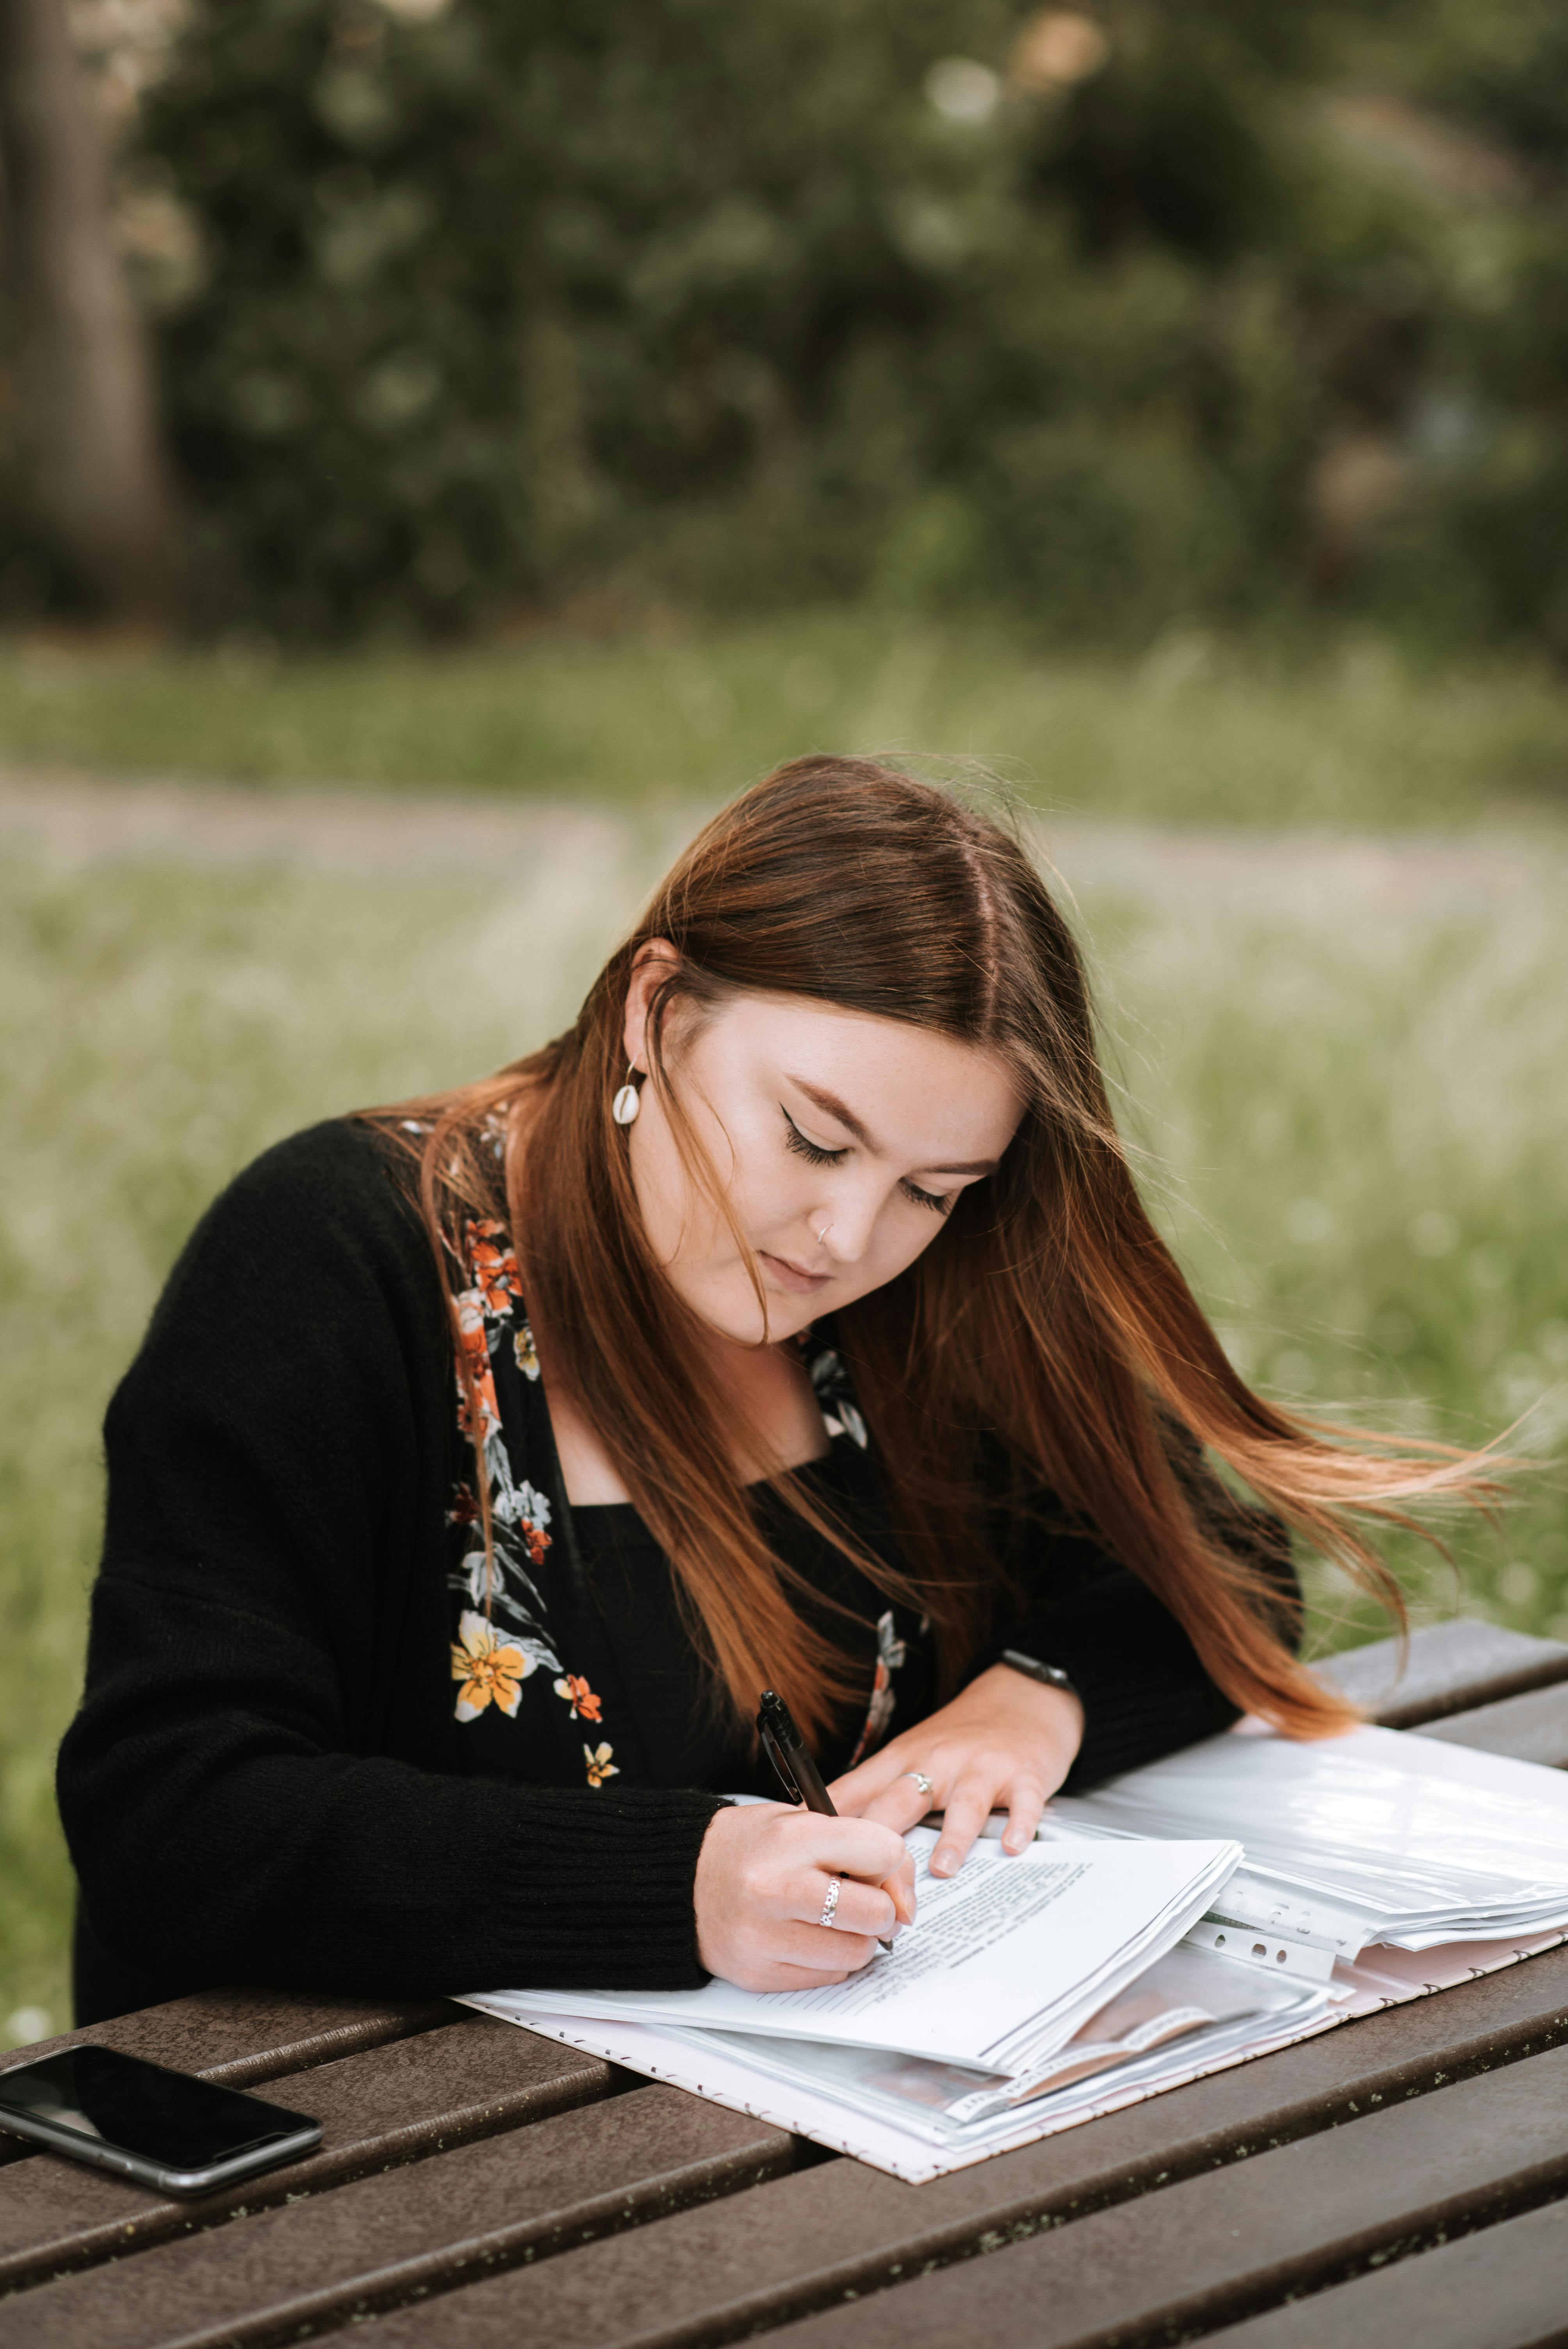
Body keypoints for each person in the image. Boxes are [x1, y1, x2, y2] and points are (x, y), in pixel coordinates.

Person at [57, 758, 1490, 2024]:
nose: (846, 1240)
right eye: (812, 1139)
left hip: (816, 2147)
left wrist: (1029, 1708)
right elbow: (172, 1810)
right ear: (655, 1005)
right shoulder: (338, 1259)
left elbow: (1221, 1559)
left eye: (934, 1188)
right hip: (369, 2157)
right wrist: (678, 1886)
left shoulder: (919, 1289)